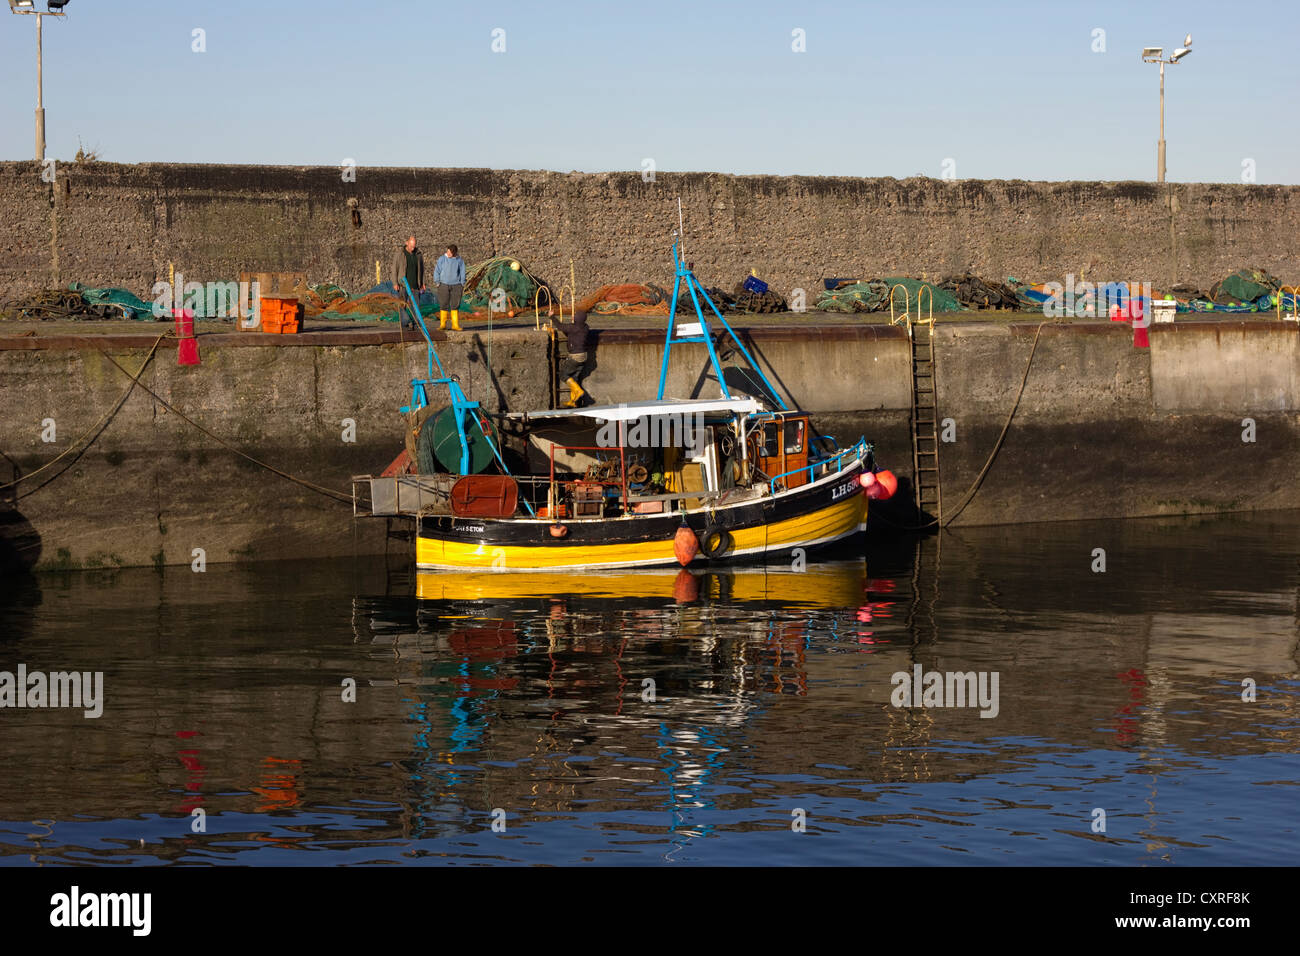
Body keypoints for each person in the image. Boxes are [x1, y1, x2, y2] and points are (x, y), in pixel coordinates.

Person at [554, 309, 592, 407]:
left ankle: (578, 391)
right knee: (574, 378)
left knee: (563, 374)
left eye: (574, 316)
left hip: (575, 356)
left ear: (577, 319)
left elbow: (560, 326)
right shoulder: (586, 327)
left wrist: (551, 316)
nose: (572, 317)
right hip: (584, 356)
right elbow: (575, 334)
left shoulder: (573, 327)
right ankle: (573, 402)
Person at [391, 236, 425, 330]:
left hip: (415, 286)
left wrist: (422, 283)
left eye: (414, 246)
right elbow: (394, 269)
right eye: (411, 246)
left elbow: (421, 270)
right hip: (403, 286)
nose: (413, 248)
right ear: (407, 243)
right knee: (402, 305)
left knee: (416, 306)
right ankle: (406, 322)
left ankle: (415, 324)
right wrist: (395, 283)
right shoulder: (400, 254)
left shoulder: (418, 254)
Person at [433, 244, 467, 331]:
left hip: (456, 285)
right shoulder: (442, 259)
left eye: (450, 252)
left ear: (454, 253)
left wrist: (462, 283)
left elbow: (462, 271)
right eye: (447, 251)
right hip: (443, 284)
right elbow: (437, 270)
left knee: (455, 305)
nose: (448, 253)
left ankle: (455, 325)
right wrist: (437, 281)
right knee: (443, 304)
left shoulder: (459, 260)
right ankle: (442, 324)